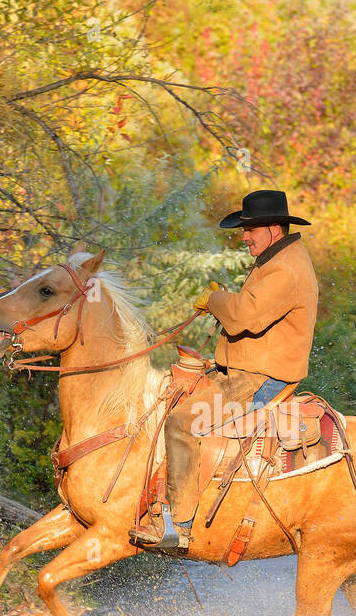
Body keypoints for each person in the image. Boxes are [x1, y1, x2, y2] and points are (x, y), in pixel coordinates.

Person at [132, 189, 319, 550]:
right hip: (248, 369)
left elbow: (245, 316)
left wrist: (216, 299)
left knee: (181, 423)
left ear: (275, 229)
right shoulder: (280, 259)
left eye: (250, 229)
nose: (244, 237)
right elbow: (255, 308)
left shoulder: (285, 268)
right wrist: (225, 299)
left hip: (256, 378)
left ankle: (178, 526)